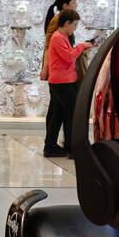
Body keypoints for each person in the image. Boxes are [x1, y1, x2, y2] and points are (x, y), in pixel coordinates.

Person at [41, 8, 94, 157]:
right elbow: (69, 57)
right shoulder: (58, 37)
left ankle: (51, 146)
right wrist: (82, 46)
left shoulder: (62, 37)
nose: (75, 28)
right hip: (62, 83)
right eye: (74, 25)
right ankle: (71, 148)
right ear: (66, 23)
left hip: (61, 82)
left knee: (58, 114)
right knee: (72, 114)